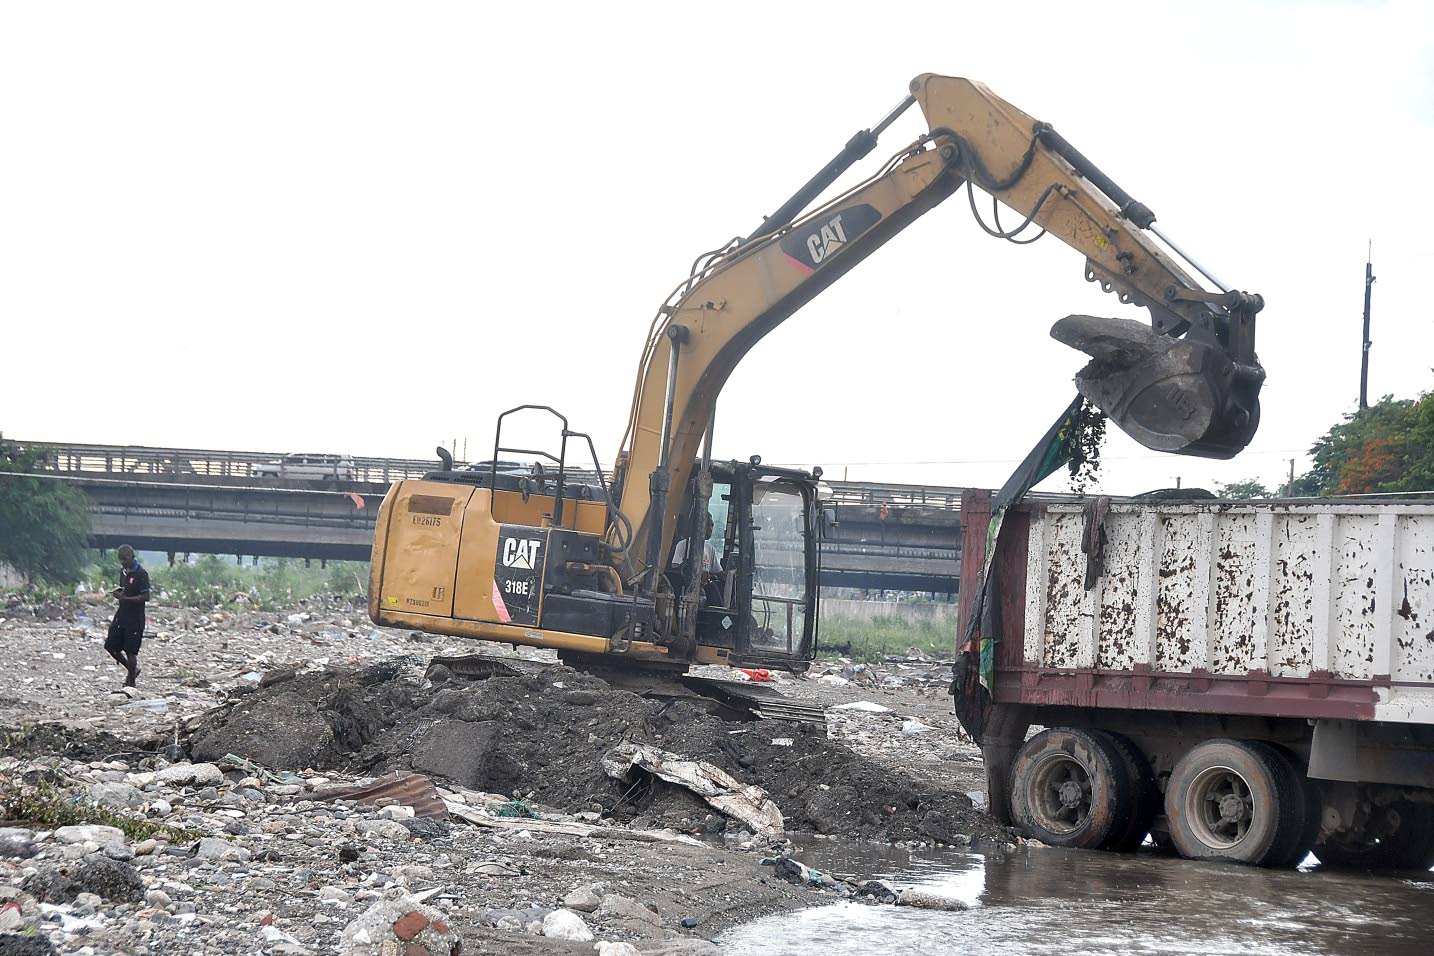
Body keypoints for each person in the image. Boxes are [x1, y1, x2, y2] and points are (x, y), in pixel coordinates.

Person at [106, 545, 150, 688]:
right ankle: (133, 670)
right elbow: (124, 590)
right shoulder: (123, 572)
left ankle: (131, 682)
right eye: (121, 561)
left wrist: (125, 598)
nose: (123, 563)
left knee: (130, 650)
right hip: (122, 614)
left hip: (135, 617)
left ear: (132, 557)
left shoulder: (142, 574)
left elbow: (145, 596)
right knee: (110, 646)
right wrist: (120, 594)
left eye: (125, 560)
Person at [671, 512, 723, 605]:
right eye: (708, 525)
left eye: (712, 525)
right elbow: (675, 567)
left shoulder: (710, 549)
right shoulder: (683, 545)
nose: (711, 529)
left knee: (714, 589)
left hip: (704, 589)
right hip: (687, 588)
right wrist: (696, 573)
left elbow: (719, 573)